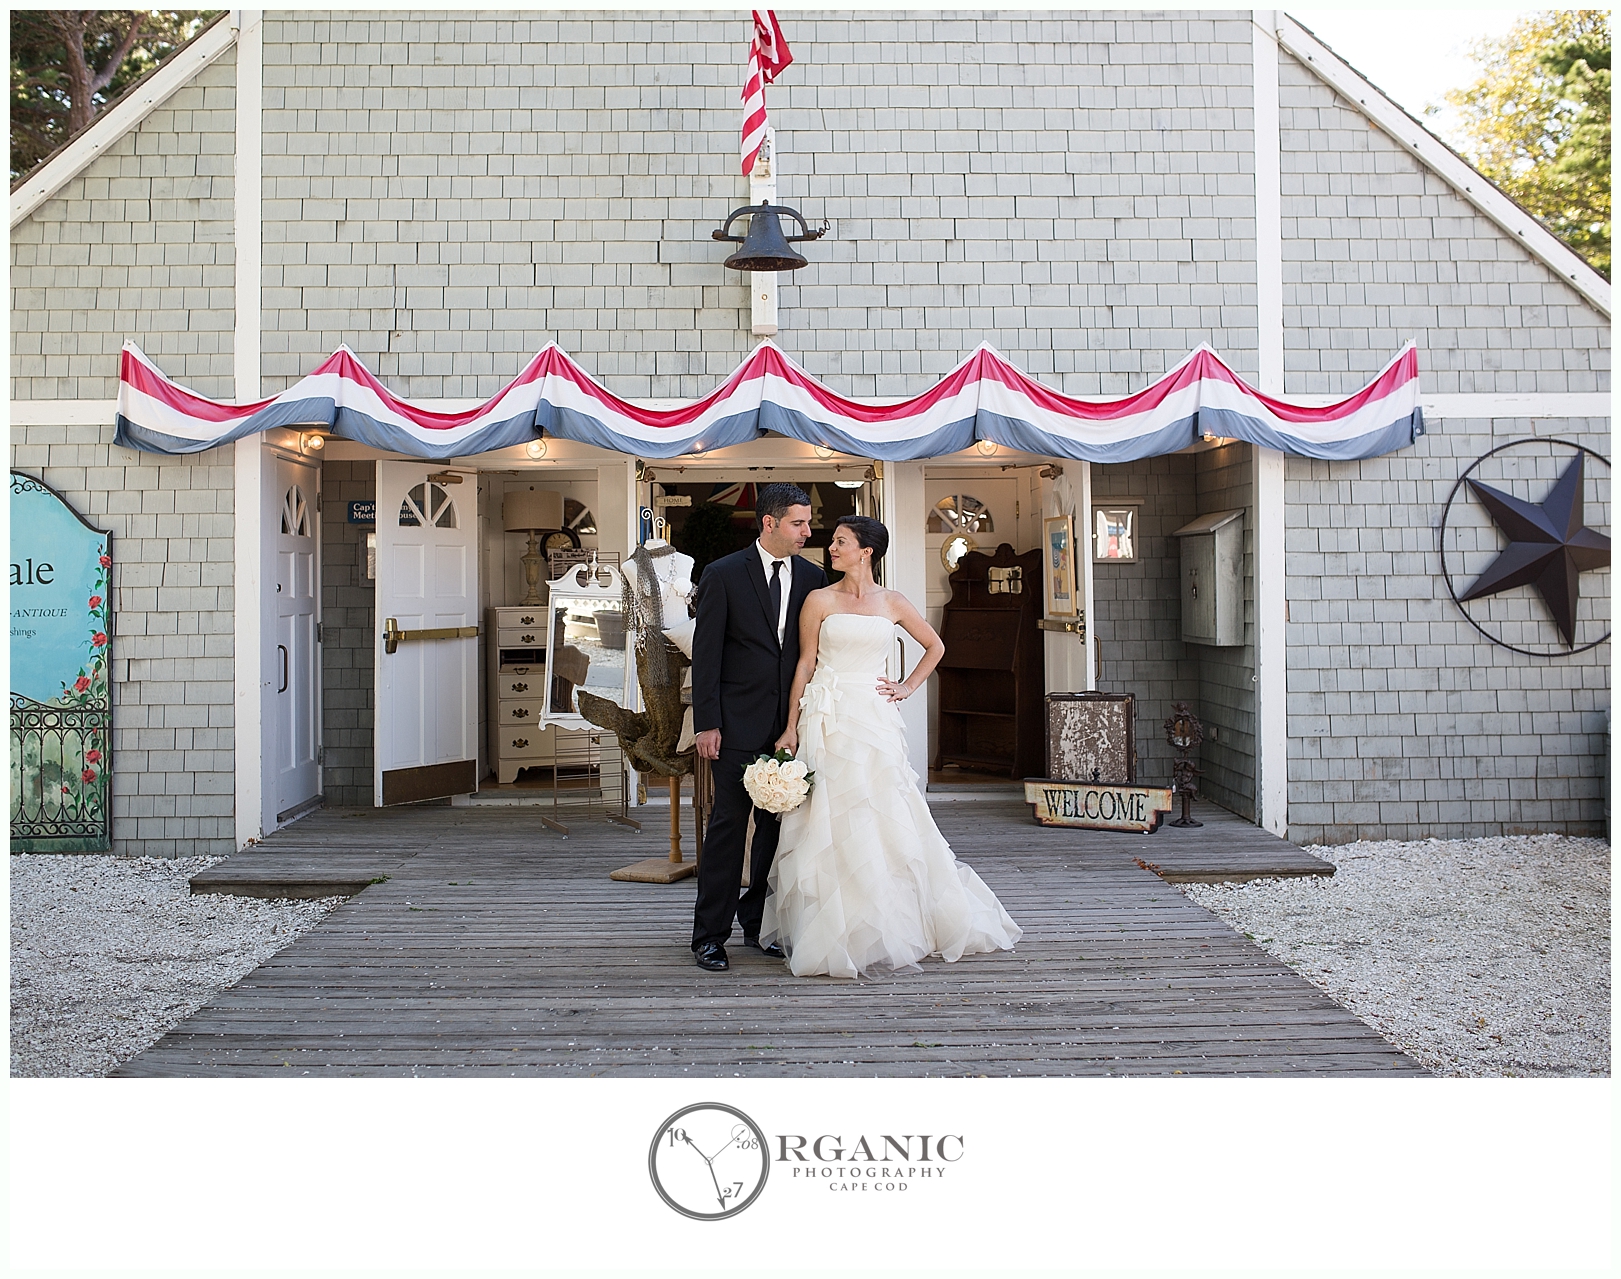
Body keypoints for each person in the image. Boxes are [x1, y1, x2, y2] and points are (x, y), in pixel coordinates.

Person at [761, 515, 1022, 978]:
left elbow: (936, 647)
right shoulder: (818, 599)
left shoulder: (893, 601)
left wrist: (906, 687)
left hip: (874, 717)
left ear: (866, 551)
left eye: (841, 542)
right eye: (833, 542)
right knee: (828, 815)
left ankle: (892, 921)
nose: (831, 548)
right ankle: (831, 929)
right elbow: (803, 665)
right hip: (827, 715)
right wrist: (790, 727)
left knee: (881, 812)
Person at [688, 483, 828, 971]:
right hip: (733, 728)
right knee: (728, 830)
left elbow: (815, 655)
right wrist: (707, 723)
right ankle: (709, 935)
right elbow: (705, 657)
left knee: (775, 832)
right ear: (768, 523)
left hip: (789, 729)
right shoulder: (723, 575)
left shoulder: (814, 578)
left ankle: (757, 925)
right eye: (798, 523)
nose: (808, 532)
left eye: (808, 522)